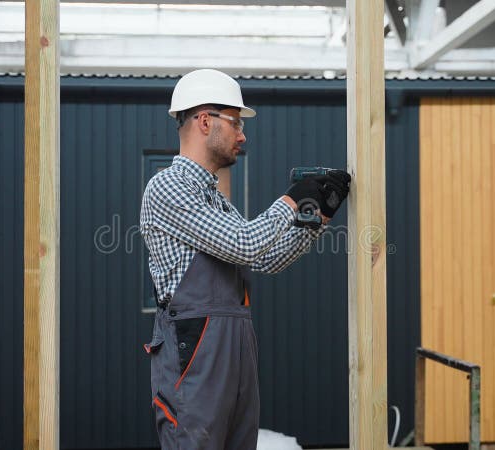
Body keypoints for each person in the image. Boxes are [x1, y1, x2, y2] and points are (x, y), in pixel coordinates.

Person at [140, 68, 350, 450]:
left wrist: (316, 216)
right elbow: (244, 245)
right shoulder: (168, 186)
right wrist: (291, 199)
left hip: (233, 353)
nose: (242, 134)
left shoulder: (215, 198)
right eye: (235, 122)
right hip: (195, 357)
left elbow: (266, 259)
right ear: (205, 121)